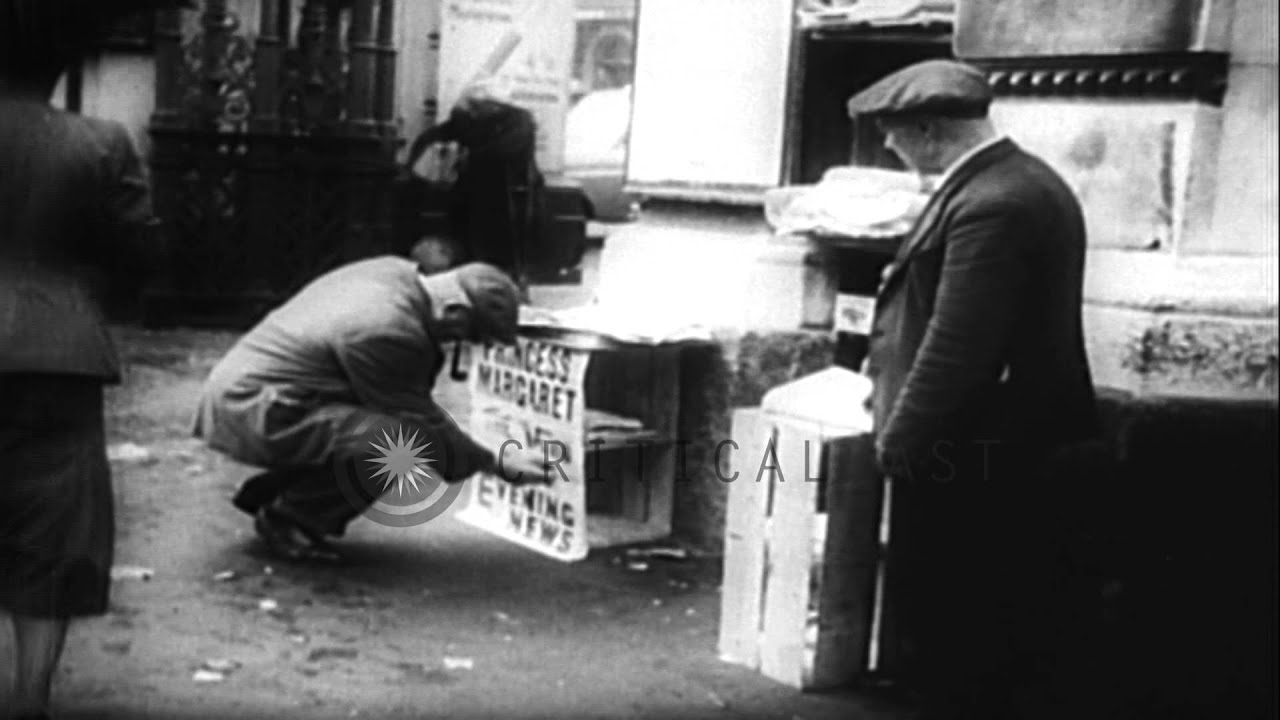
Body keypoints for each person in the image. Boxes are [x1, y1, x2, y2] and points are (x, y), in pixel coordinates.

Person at [850, 60, 1100, 718]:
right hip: (983, 430)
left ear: (929, 130)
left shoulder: (997, 200)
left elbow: (960, 343)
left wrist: (903, 437)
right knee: (961, 600)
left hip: (975, 437)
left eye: (893, 132)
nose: (886, 145)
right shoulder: (1000, 183)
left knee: (957, 602)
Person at [0, 6, 160, 718]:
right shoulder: (101, 142)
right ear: (62, 68)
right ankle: (28, 698)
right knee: (53, 531)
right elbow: (137, 254)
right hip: (58, 351)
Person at [193, 259, 548, 563]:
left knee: (376, 425)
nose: (462, 345)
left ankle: (279, 492)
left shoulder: (392, 273)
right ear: (455, 313)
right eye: (468, 336)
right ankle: (293, 518)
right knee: (404, 444)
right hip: (260, 408)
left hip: (255, 392)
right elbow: (421, 421)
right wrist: (495, 463)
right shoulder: (388, 331)